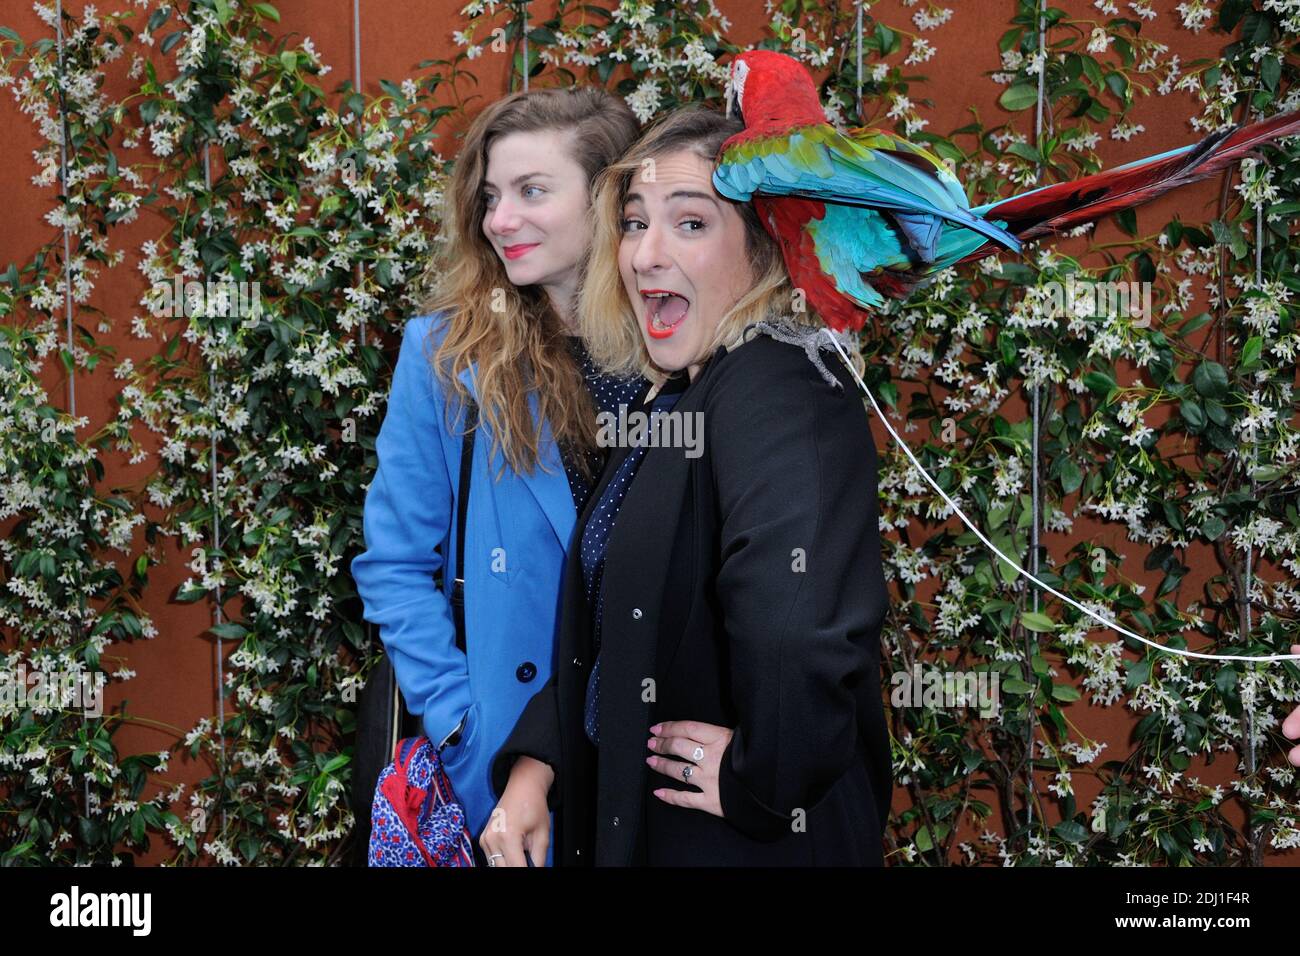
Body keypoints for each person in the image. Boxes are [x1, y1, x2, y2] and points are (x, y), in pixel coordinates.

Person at [485, 104, 893, 866]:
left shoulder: (778, 383)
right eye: (635, 223)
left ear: (767, 250)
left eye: (692, 223)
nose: (644, 255)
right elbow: (617, 626)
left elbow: (798, 626)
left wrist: (762, 783)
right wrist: (537, 769)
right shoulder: (675, 394)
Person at [350, 87, 644, 867]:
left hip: (640, 747)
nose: (499, 219)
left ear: (611, 197)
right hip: (500, 756)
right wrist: (460, 723)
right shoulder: (449, 356)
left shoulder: (675, 355)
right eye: (490, 196)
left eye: (531, 191)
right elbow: (393, 564)